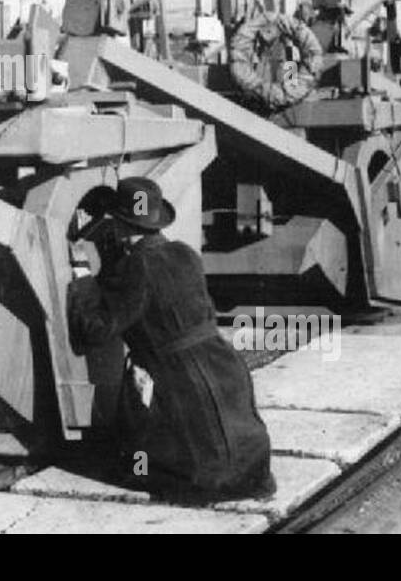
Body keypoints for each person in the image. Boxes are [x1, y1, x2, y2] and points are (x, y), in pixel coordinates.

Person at [68, 177, 274, 503]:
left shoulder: (135, 266)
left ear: (120, 226)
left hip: (181, 380)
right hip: (223, 366)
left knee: (159, 465)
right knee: (234, 445)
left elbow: (95, 330)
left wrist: (81, 274)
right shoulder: (185, 254)